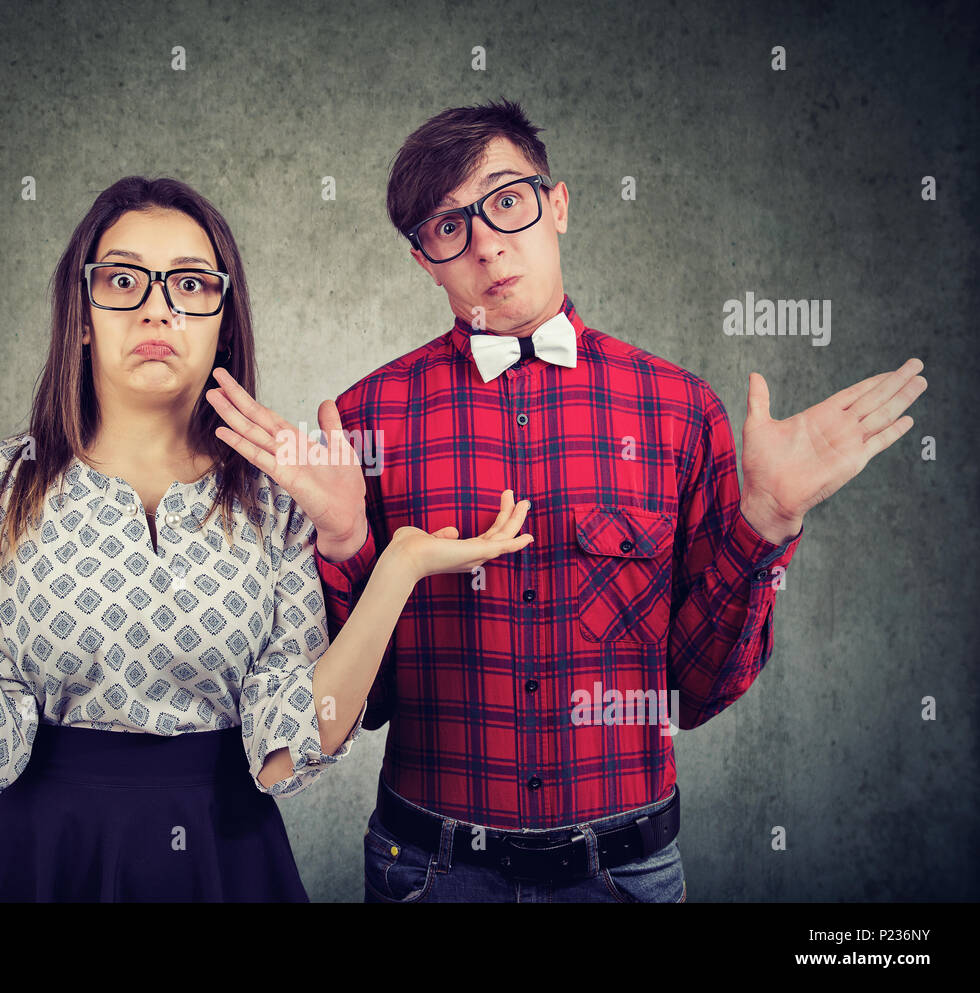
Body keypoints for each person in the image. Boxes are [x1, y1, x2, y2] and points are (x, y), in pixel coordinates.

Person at [0, 175, 533, 902]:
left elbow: (288, 747)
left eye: (190, 284)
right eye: (123, 281)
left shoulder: (276, 495)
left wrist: (393, 565)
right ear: (81, 317)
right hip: (35, 865)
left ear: (223, 321)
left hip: (227, 866)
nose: (158, 309)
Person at [205, 98, 927, 902]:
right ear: (424, 260)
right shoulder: (365, 421)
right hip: (427, 873)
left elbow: (693, 693)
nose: (486, 244)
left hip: (625, 874)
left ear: (558, 205)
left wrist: (766, 524)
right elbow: (361, 707)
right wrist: (344, 543)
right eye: (450, 228)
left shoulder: (680, 411)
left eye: (506, 201)